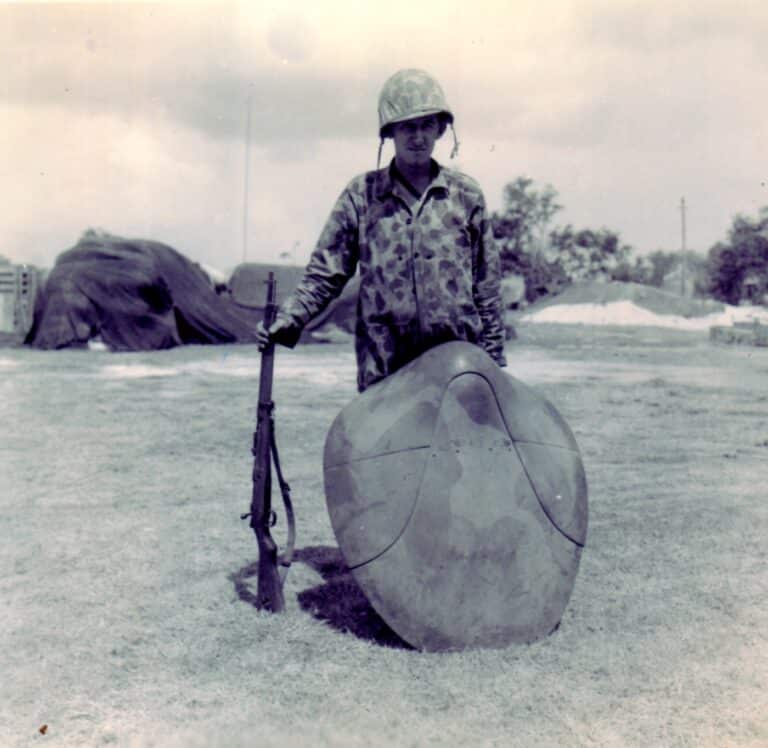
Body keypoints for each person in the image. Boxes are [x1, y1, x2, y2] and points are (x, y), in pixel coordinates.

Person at [256, 68, 507, 392]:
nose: (418, 137)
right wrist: (288, 319)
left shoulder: (465, 195)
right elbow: (325, 273)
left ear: (441, 129)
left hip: (458, 365)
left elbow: (487, 284)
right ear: (390, 132)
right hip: (385, 365)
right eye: (407, 127)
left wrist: (494, 360)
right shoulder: (361, 195)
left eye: (426, 125)